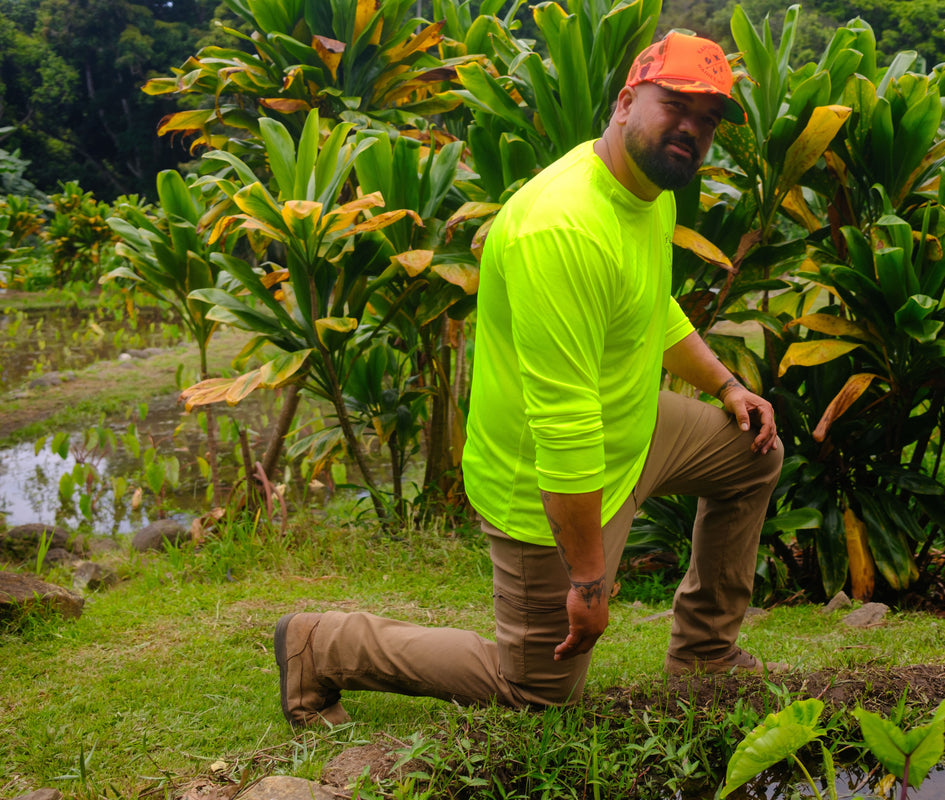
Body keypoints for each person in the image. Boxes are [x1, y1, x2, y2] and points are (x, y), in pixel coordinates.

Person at [273, 31, 785, 726]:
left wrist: (727, 386)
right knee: (539, 692)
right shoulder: (564, 226)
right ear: (627, 102)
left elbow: (647, 305)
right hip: (547, 476)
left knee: (751, 452)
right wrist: (588, 578)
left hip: (629, 430)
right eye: (677, 107)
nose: (692, 131)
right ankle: (322, 645)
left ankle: (703, 658)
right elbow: (565, 426)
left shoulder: (648, 187)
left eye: (708, 121)